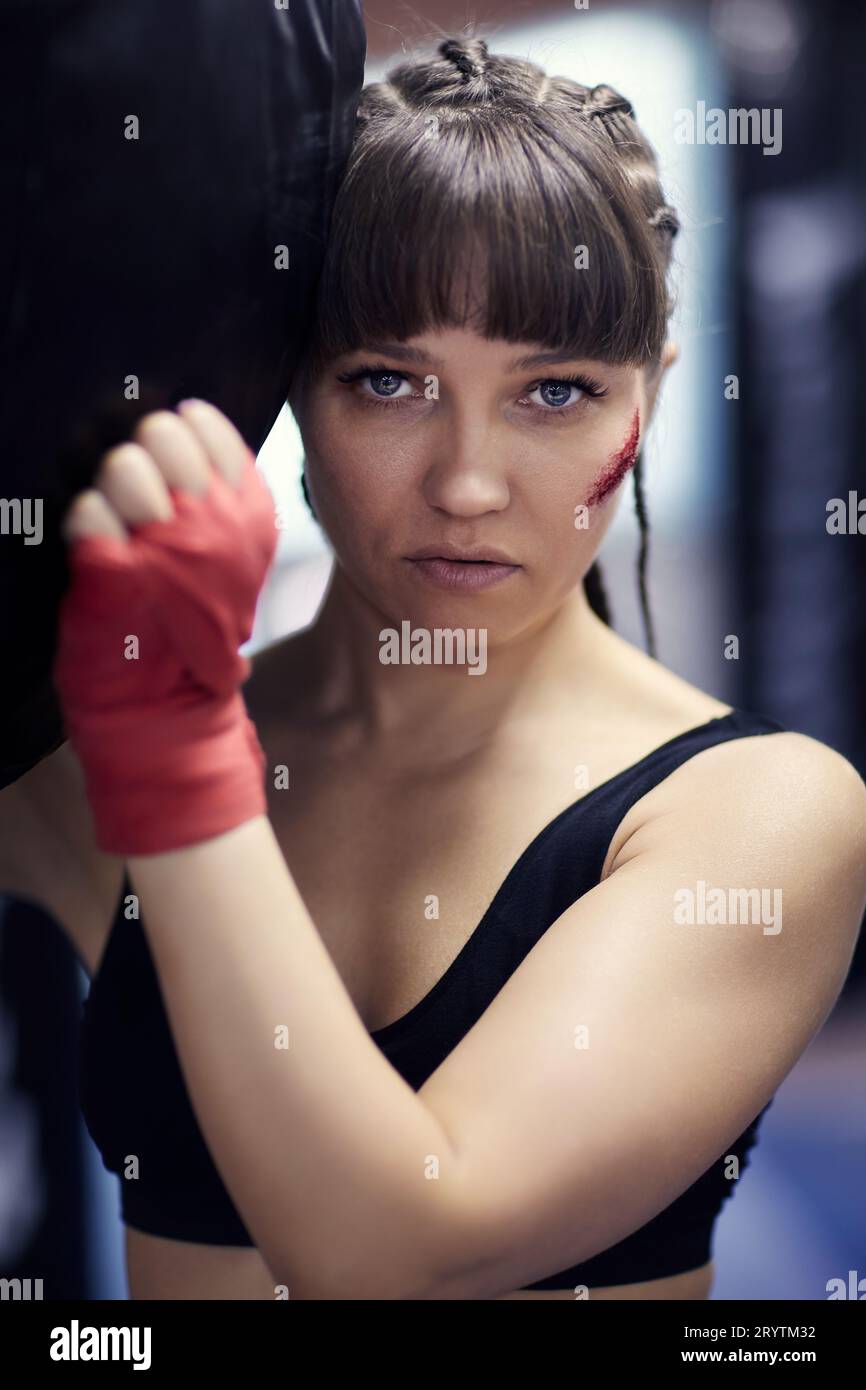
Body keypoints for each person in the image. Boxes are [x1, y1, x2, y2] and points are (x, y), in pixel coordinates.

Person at [4, 36, 866, 1301]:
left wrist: (176, 755)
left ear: (650, 397)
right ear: (285, 387)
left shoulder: (757, 819)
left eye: (555, 393)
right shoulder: (78, 775)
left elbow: (397, 1249)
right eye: (388, 381)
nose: (466, 485)